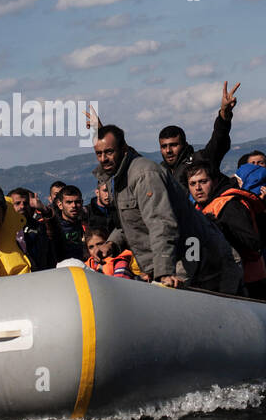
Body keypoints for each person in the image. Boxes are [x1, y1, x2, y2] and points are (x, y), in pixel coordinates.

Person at [91, 124, 242, 293]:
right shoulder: (118, 180)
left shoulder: (144, 175)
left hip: (204, 262)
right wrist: (112, 244)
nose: (103, 158)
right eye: (99, 153)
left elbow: (161, 223)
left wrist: (163, 273)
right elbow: (131, 222)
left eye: (109, 152)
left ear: (123, 149)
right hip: (182, 262)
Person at [186, 164, 266, 299]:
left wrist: (220, 230)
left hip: (249, 285)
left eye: (203, 182)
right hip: (216, 283)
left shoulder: (230, 206)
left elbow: (253, 243)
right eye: (193, 184)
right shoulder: (197, 210)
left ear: (214, 182)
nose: (198, 188)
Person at [159, 81, 241, 188]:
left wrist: (224, 114)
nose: (168, 150)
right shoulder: (158, 172)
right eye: (164, 146)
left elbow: (218, 141)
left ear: (184, 144)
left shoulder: (200, 160)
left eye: (174, 145)